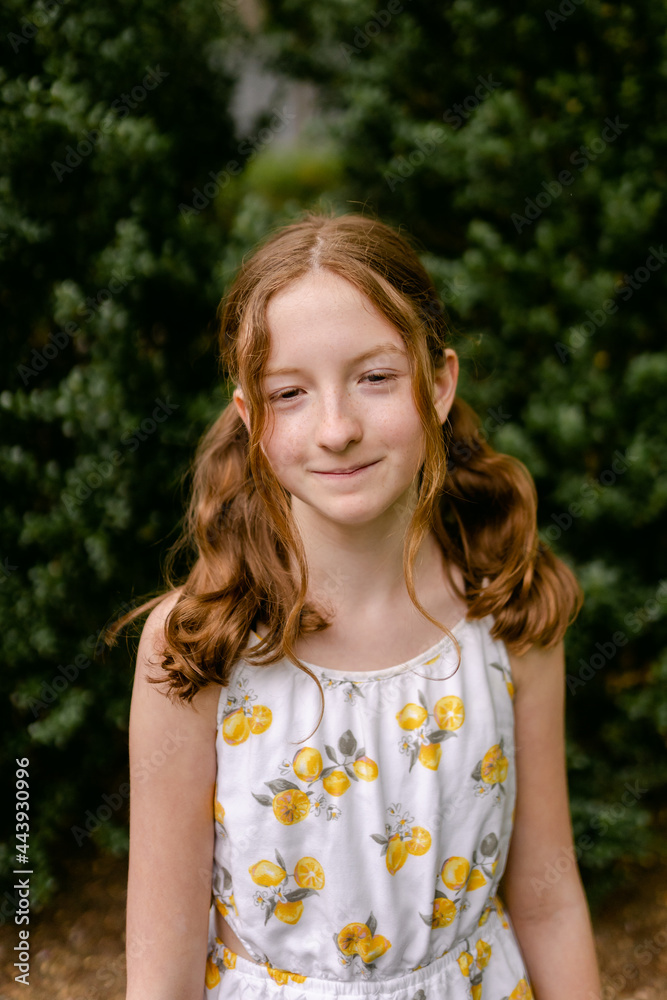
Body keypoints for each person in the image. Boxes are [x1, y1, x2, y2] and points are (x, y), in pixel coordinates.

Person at [119, 211, 602, 999]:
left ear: (438, 384)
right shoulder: (199, 644)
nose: (337, 429)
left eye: (375, 378)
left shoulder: (505, 611)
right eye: (290, 393)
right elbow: (161, 969)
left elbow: (546, 899)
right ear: (250, 418)